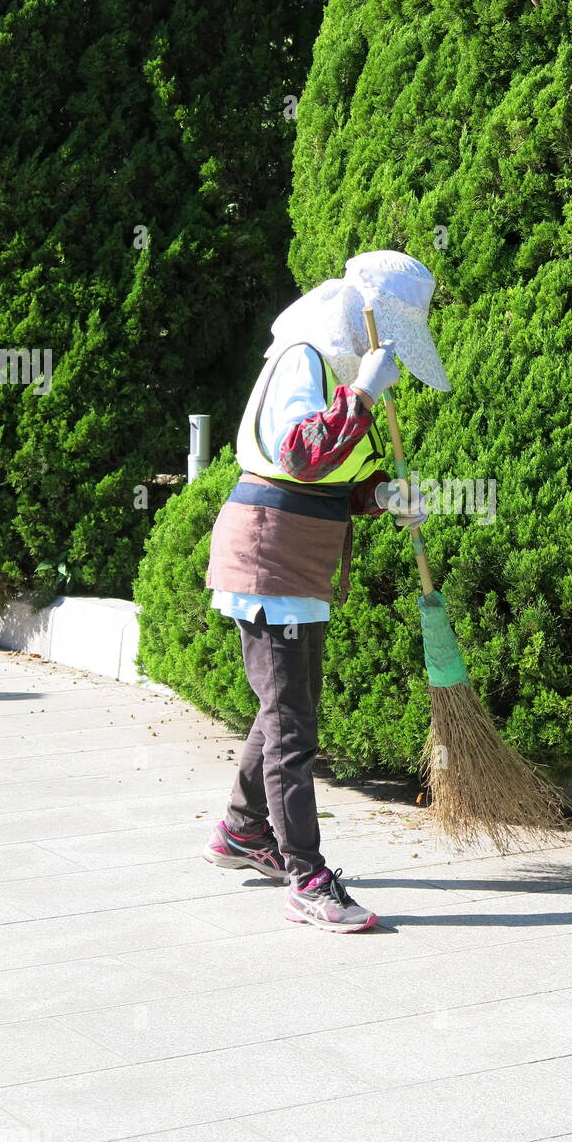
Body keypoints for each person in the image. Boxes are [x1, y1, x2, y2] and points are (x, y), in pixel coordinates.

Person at [202, 250, 450, 932]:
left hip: (299, 557)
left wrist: (384, 496)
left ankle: (241, 833)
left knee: (285, 707)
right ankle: (307, 878)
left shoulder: (335, 371)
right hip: (267, 553)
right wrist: (364, 394)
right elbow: (297, 454)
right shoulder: (302, 359)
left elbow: (334, 477)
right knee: (291, 723)